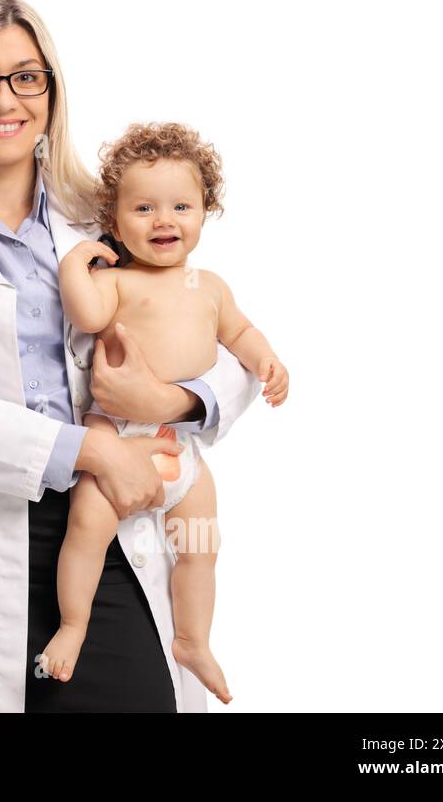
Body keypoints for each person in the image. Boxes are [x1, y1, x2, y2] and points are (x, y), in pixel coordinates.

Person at [0, 0, 261, 712]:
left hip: (123, 523)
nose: (5, 99)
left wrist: (176, 403)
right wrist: (92, 453)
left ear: (53, 93)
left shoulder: (115, 214)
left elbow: (215, 326)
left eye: (28, 77)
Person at [40, 121, 290, 703]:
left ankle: (193, 639)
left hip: (183, 451)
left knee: (201, 545)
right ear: (116, 216)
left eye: (182, 205)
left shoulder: (209, 285)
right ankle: (73, 626)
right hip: (117, 439)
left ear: (206, 211)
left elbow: (241, 334)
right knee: (87, 532)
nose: (164, 220)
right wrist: (77, 265)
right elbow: (83, 315)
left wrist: (269, 360)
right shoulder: (120, 282)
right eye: (144, 208)